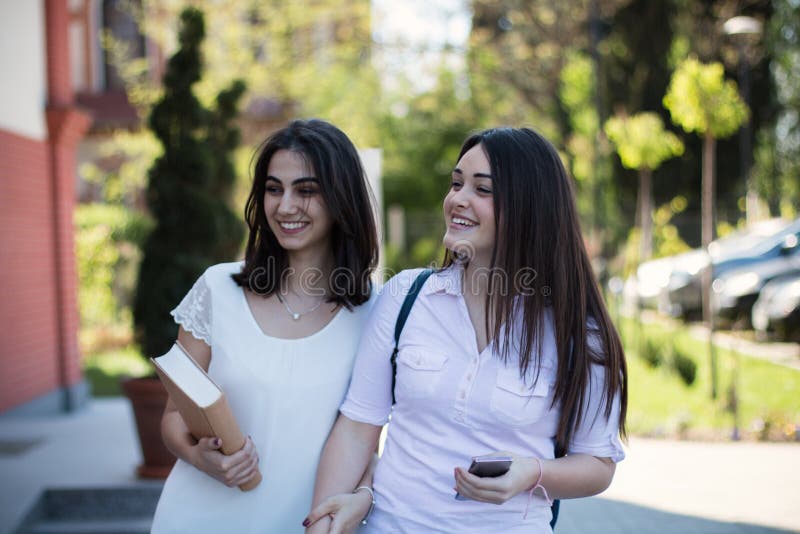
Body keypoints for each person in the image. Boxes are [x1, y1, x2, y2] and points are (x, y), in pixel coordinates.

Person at [306, 126, 628, 533]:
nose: (457, 198)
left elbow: (598, 464)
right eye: (456, 183)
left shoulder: (579, 331)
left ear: (529, 206)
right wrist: (321, 521)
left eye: (482, 189)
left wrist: (532, 472)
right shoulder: (407, 296)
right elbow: (356, 429)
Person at [150, 119, 380, 533]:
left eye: (306, 190)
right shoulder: (217, 289)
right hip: (196, 519)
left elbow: (367, 438)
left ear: (341, 198)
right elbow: (173, 417)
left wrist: (363, 497)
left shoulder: (375, 311)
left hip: (305, 524)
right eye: (274, 189)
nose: (285, 206)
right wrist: (201, 457)